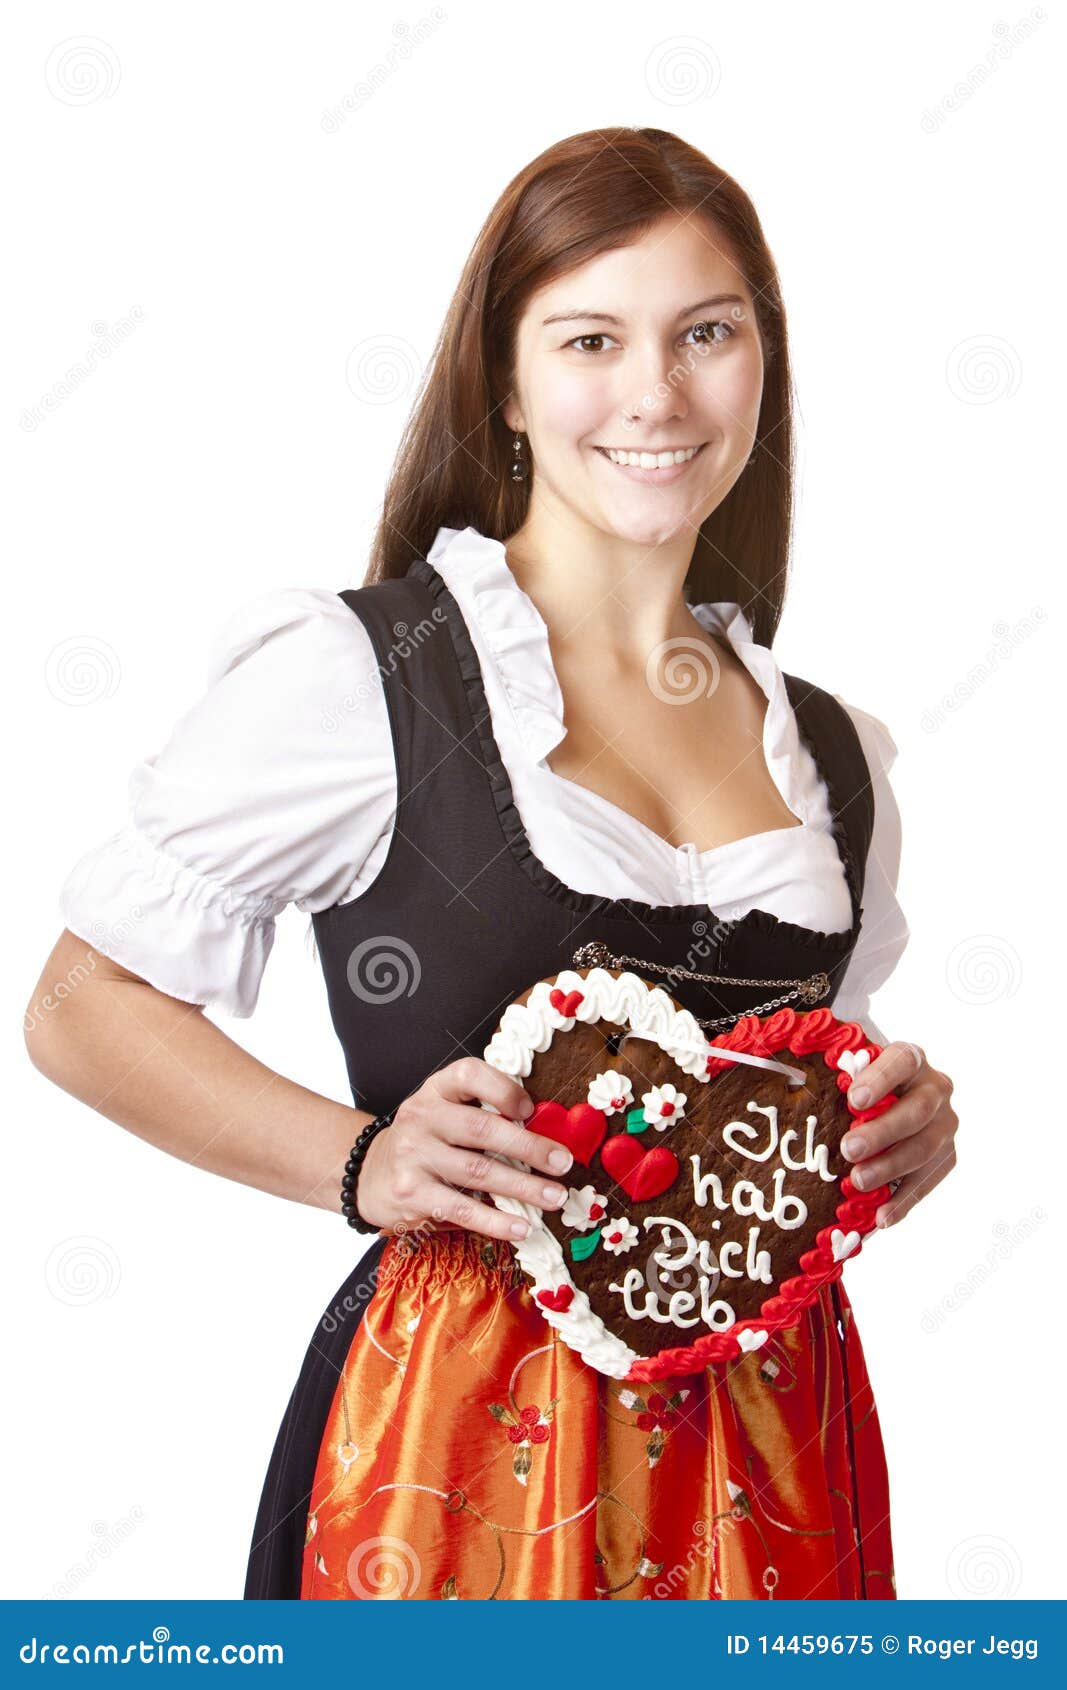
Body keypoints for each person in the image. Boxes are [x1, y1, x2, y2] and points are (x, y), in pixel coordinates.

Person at [26, 127, 958, 1601]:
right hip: (453, 1440)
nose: (657, 393)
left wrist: (892, 1130)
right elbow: (82, 1005)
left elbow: (786, 1103)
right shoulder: (368, 675)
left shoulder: (837, 754)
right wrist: (362, 1162)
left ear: (761, 369)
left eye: (706, 333)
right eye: (592, 338)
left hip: (776, 1451)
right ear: (506, 381)